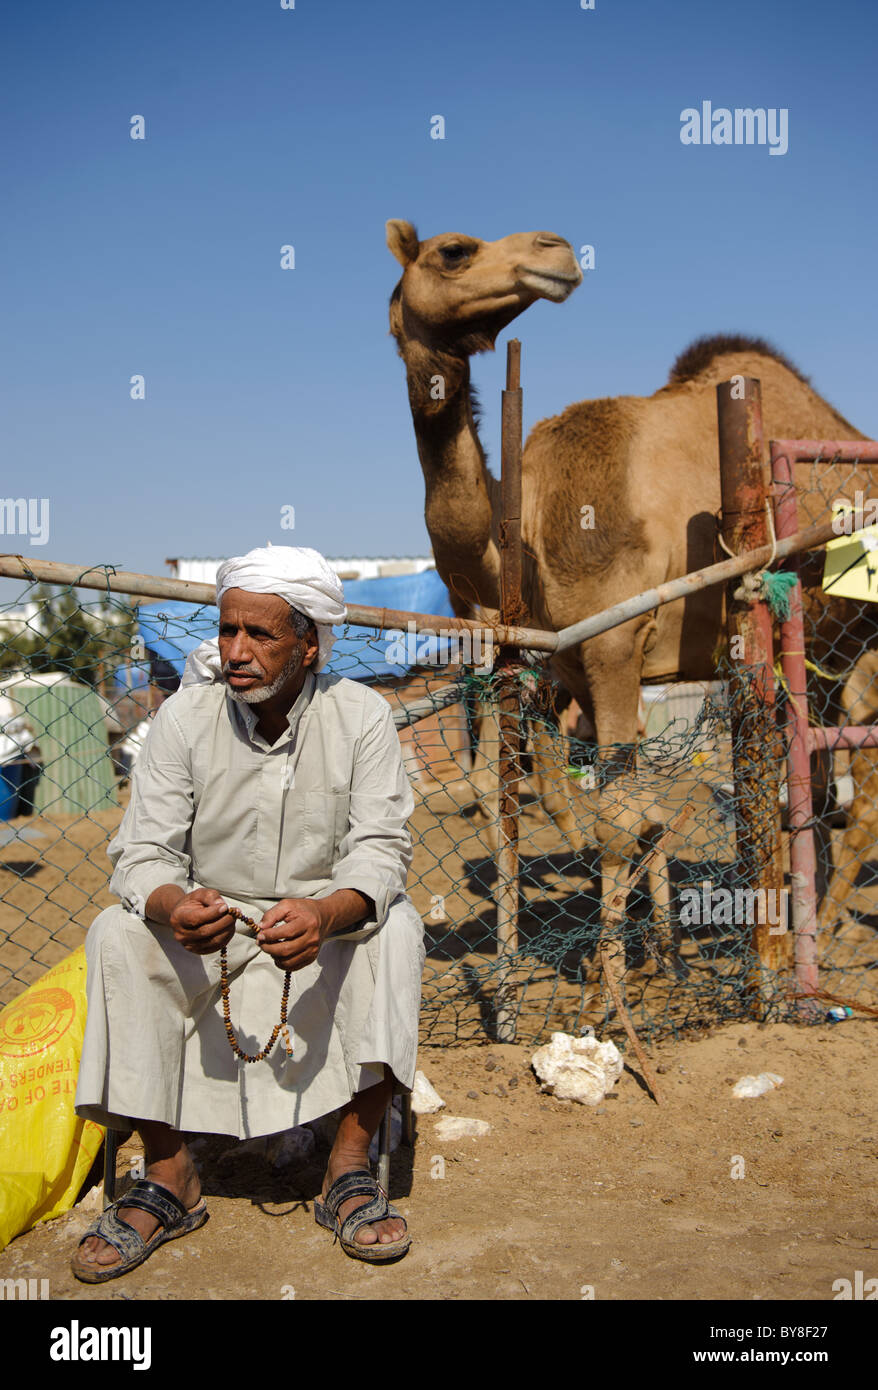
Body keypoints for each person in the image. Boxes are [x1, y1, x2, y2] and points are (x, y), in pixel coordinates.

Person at [71, 546, 425, 1281]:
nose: (236, 651)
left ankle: (348, 1169)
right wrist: (173, 906)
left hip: (322, 933)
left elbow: (382, 852)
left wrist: (328, 914)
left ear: (309, 643)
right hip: (214, 931)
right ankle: (170, 1173)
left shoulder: (360, 716)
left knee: (398, 924)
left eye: (259, 635)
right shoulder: (183, 720)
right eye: (228, 629)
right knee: (114, 931)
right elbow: (141, 854)